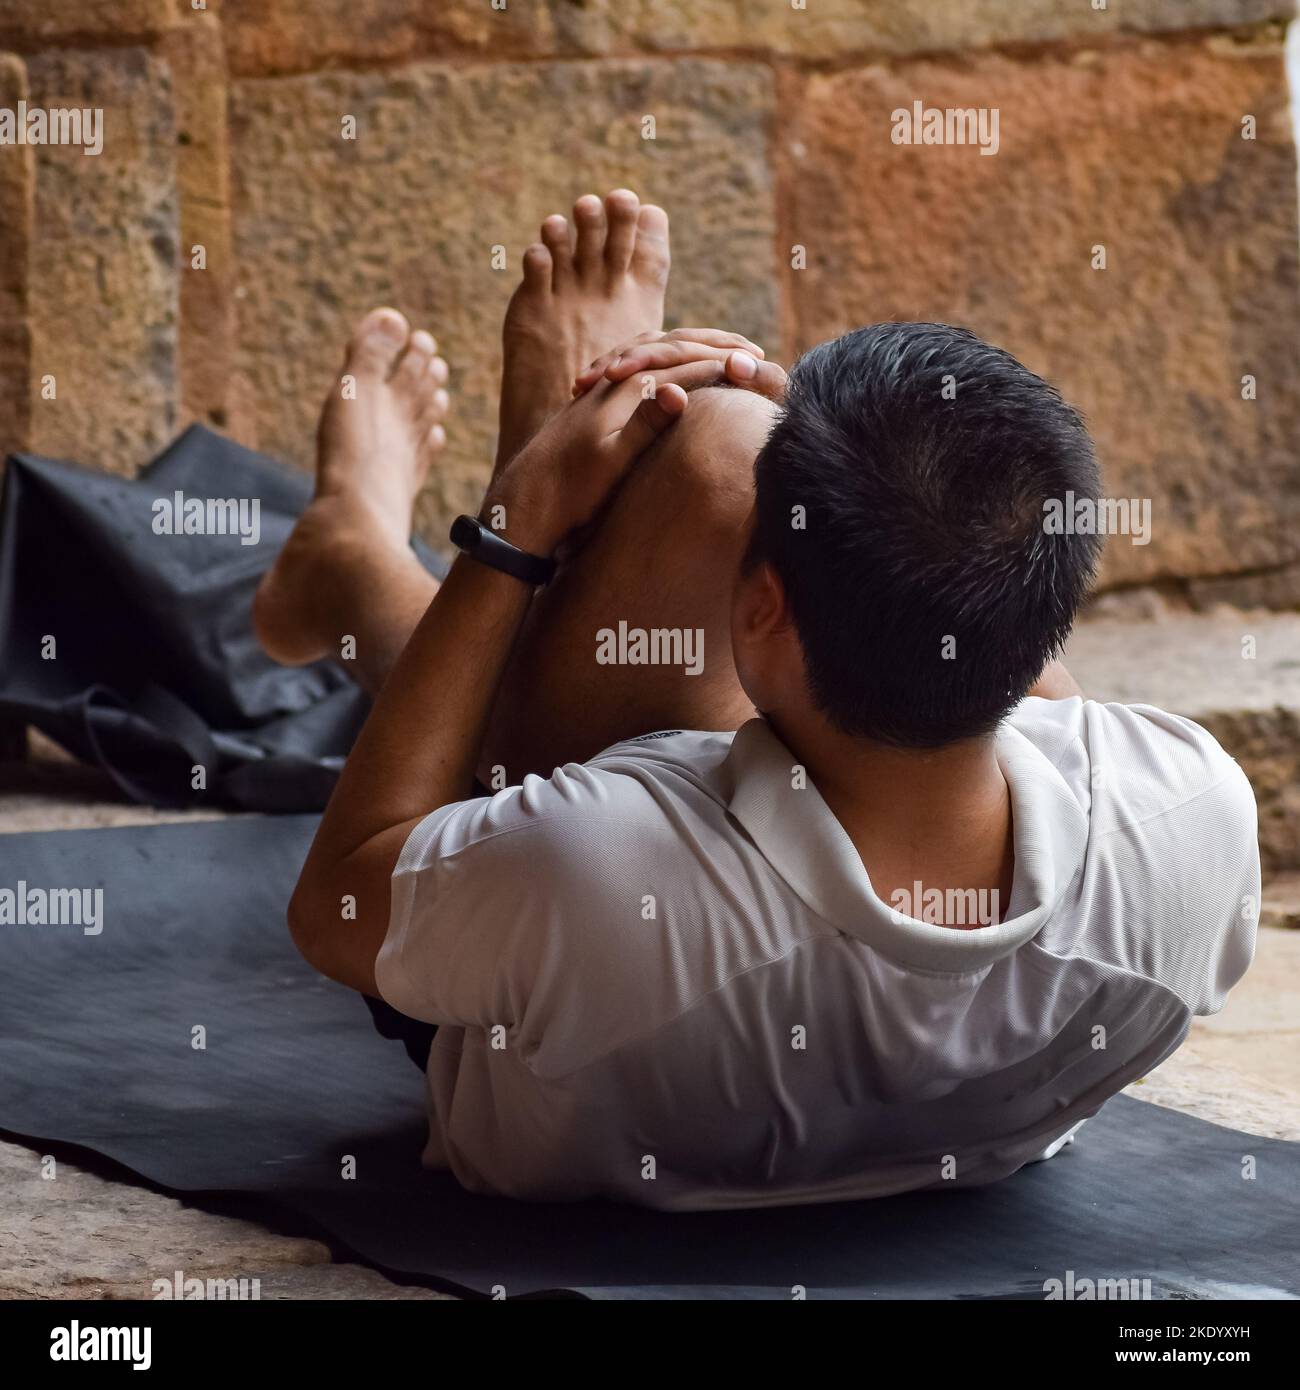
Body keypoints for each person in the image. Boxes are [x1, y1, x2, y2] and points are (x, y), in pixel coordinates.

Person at [254, 190, 1259, 1209]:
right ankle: (521, 535)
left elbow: (338, 897)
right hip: (957, 1123)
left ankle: (379, 548)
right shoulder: (1192, 806)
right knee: (795, 492)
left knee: (716, 452)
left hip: (577, 1043)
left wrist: (521, 514)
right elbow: (1031, 686)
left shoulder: (597, 861)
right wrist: (849, 480)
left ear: (761, 611)